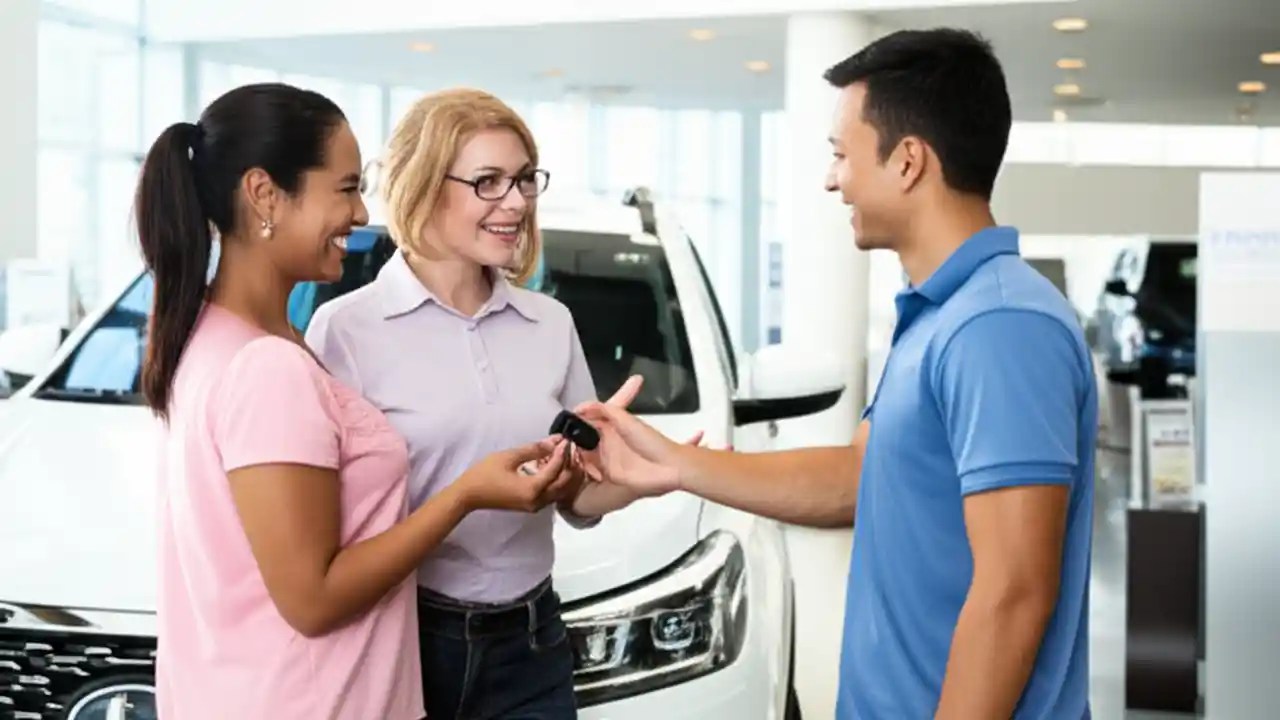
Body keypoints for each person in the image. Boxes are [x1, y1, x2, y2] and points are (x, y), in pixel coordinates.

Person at [573, 28, 1097, 720]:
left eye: (841, 154)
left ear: (907, 161)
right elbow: (860, 476)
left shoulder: (1000, 327)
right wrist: (673, 464)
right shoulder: (942, 314)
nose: (831, 179)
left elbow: (1015, 592)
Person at [138, 82, 576, 720]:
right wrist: (465, 495)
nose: (362, 212)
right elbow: (314, 599)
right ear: (264, 195)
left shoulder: (212, 336)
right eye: (345, 189)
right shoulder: (269, 366)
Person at [304, 88, 661, 720]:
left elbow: (577, 498)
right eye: (488, 181)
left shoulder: (549, 323)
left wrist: (633, 481)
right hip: (406, 640)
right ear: (422, 186)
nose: (517, 201)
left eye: (524, 180)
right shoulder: (346, 331)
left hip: (533, 642)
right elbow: (328, 533)